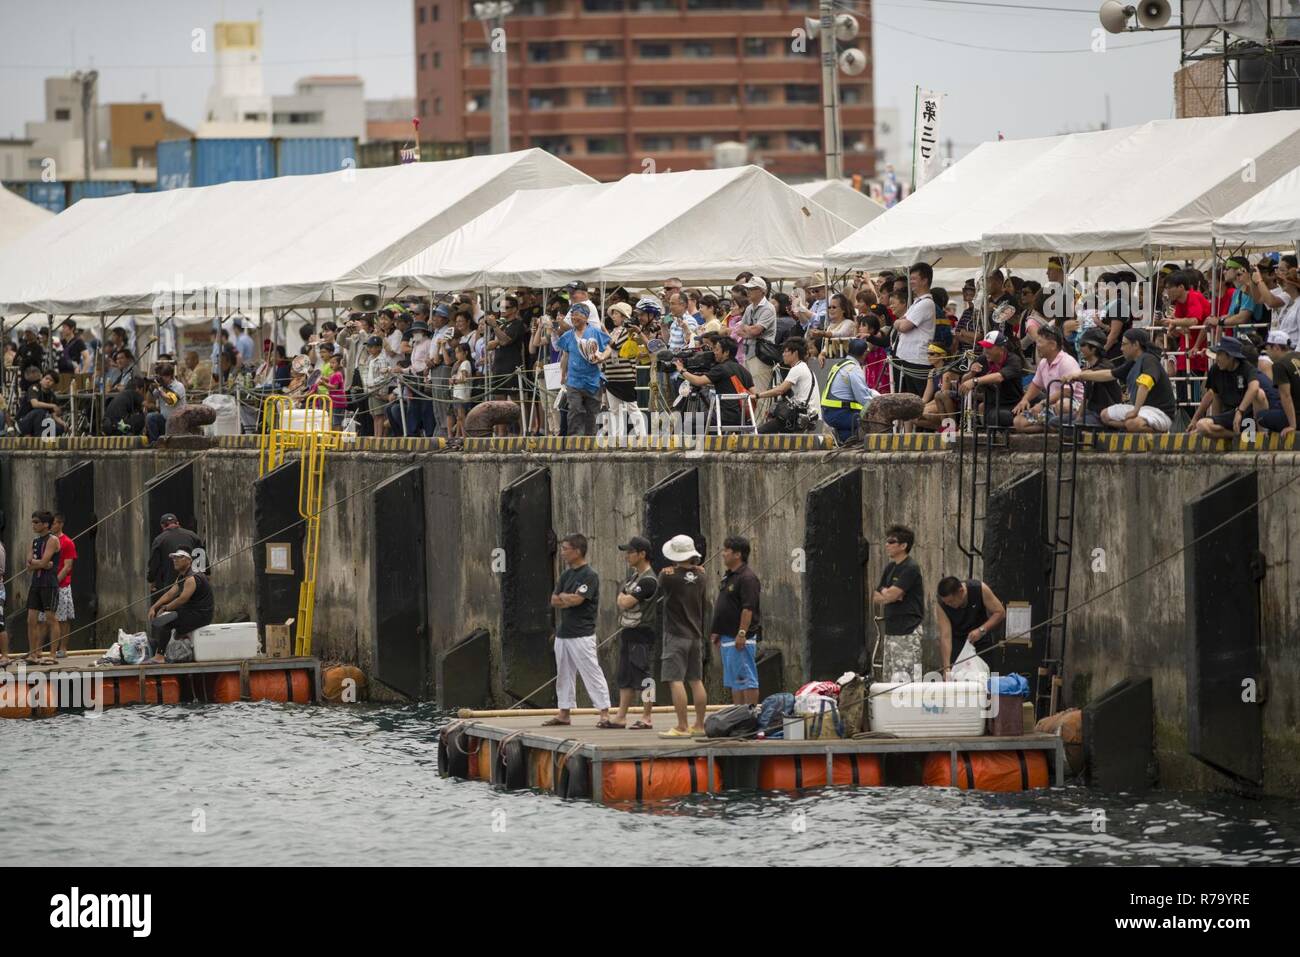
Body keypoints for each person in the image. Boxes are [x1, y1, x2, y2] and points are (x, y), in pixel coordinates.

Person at [544, 533, 613, 727]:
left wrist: (566, 598)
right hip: (563, 633)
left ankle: (604, 712)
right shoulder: (566, 575)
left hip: (582, 633)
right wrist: (568, 598)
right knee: (563, 674)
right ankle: (564, 712)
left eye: (566, 549)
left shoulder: (589, 575)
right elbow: (554, 600)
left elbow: (578, 599)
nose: (563, 553)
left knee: (591, 671)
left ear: (577, 551)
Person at [656, 533, 709, 738]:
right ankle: (700, 725)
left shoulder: (667, 576)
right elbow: (694, 575)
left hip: (675, 635)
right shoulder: (702, 575)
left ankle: (681, 726)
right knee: (696, 679)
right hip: (695, 635)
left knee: (675, 679)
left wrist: (670, 570)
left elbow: (661, 586)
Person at [611, 536, 658, 730]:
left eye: (630, 552)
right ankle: (621, 716)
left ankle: (647, 716)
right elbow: (620, 598)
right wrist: (623, 598)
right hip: (628, 631)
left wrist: (624, 598)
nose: (627, 556)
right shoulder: (633, 577)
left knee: (644, 676)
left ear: (642, 554)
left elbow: (626, 601)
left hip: (642, 633)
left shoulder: (648, 580)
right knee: (625, 676)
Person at [710, 535, 761, 705]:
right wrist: (718, 630)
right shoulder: (729, 577)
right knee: (735, 681)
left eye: (726, 551)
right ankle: (738, 716)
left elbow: (748, 608)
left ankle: (750, 715)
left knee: (747, 678)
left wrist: (742, 633)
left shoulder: (747, 578)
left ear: (737, 554)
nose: (723, 554)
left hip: (739, 637)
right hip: (727, 637)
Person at [1187, 335, 1271, 438]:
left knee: (1259, 393)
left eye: (1219, 355)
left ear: (1230, 356)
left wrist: (1240, 411)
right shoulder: (1215, 369)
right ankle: (1240, 436)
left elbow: (1254, 387)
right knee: (1202, 426)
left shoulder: (1246, 368)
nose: (1216, 359)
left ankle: (1261, 435)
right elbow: (1212, 394)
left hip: (1248, 414)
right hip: (1229, 415)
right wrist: (1195, 418)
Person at [871, 524, 923, 683]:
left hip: (907, 632)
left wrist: (890, 594)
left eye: (891, 541)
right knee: (889, 681)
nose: (887, 545)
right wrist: (890, 594)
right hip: (891, 632)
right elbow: (876, 596)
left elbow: (892, 595)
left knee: (906, 681)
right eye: (887, 541)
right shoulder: (890, 568)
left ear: (903, 546)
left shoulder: (911, 567)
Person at [1012, 324, 1084, 433]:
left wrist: (1042, 404)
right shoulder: (1043, 363)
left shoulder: (1067, 361)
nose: (1037, 345)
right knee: (1019, 421)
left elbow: (1067, 391)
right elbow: (1036, 384)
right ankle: (1052, 427)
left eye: (1040, 342)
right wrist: (1025, 399)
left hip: (1074, 405)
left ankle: (1066, 430)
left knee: (1063, 405)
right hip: (1050, 406)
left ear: (1053, 345)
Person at [147, 549, 214, 663]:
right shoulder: (182, 576)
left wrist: (165, 608)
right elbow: (170, 594)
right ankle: (170, 646)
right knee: (169, 618)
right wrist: (154, 607)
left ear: (189, 560)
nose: (175, 560)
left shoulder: (192, 577)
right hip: (191, 611)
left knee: (167, 621)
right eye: (174, 558)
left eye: (179, 557)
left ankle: (160, 657)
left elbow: (182, 599)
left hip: (201, 615)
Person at [675, 335, 754, 430]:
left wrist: (681, 370)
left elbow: (698, 381)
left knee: (689, 422)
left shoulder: (721, 369)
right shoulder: (743, 370)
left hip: (724, 416)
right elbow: (753, 393)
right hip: (743, 418)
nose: (714, 353)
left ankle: (703, 444)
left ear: (726, 353)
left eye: (717, 350)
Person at [557, 302, 611, 437]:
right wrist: (563, 374)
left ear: (586, 317)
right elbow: (565, 355)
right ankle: (575, 438)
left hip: (592, 379)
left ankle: (590, 439)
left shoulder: (595, 332)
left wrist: (602, 357)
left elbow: (610, 346)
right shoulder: (567, 336)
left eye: (577, 315)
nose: (574, 318)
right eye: (572, 315)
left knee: (592, 412)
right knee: (574, 409)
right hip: (574, 380)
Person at [936, 576, 1006, 677]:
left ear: (961, 591)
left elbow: (1000, 612)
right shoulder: (942, 604)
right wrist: (946, 668)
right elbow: (945, 636)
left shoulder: (979, 589)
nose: (948, 605)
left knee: (988, 679)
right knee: (957, 679)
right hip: (958, 643)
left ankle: (991, 692)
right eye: (946, 602)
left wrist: (982, 630)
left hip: (981, 639)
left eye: (951, 602)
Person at [755, 336, 821, 434]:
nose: (783, 354)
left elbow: (780, 390)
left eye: (786, 351)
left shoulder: (797, 369)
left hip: (801, 415)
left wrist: (757, 395)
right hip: (808, 414)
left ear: (795, 353)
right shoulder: (804, 367)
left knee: (760, 432)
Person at [959, 330, 1025, 428]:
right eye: (984, 346)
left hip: (1013, 404)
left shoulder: (1013, 360)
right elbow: (964, 382)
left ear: (1001, 348)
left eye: (989, 347)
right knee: (994, 416)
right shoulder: (982, 359)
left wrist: (975, 381)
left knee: (998, 416)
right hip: (992, 406)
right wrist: (972, 374)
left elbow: (999, 377)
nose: (985, 350)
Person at [892, 262, 937, 396]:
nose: (910, 282)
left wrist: (899, 323)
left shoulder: (926, 303)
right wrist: (900, 322)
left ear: (924, 280)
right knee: (908, 401)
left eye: (913, 279)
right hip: (908, 360)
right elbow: (901, 321)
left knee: (917, 401)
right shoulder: (917, 303)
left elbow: (904, 326)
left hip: (918, 362)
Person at [821, 339, 877, 442]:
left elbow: (861, 389)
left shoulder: (840, 365)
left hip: (829, 412)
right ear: (864, 353)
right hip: (840, 413)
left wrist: (875, 394)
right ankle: (848, 441)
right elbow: (863, 398)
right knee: (872, 420)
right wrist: (879, 406)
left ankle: (841, 439)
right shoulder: (854, 368)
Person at [25, 510, 61, 665]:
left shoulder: (52, 540)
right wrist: (40, 564)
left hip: (49, 583)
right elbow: (29, 565)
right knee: (31, 619)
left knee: (50, 618)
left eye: (36, 522)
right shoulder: (34, 541)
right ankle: (33, 654)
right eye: (32, 522)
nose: (33, 525)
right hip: (36, 583)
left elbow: (45, 561)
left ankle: (52, 655)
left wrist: (40, 563)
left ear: (45, 524)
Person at [40, 512, 77, 660]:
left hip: (61, 585)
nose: (51, 525)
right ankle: (43, 649)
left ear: (60, 524)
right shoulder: (46, 541)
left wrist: (55, 582)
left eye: (54, 523)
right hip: (47, 584)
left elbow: (67, 566)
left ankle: (63, 648)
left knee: (63, 618)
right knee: (45, 618)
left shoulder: (67, 542)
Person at [737, 276, 778, 407]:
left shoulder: (768, 308)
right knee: (749, 391)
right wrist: (750, 330)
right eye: (748, 289)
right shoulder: (750, 308)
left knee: (761, 393)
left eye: (752, 289)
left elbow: (755, 331)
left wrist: (748, 330)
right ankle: (755, 424)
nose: (748, 292)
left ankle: (761, 426)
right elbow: (741, 329)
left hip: (761, 354)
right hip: (750, 353)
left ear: (762, 291)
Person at [147, 513, 205, 603]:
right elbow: (201, 556)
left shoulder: (159, 539)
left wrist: (151, 580)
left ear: (162, 526)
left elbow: (154, 563)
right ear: (177, 523)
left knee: (174, 607)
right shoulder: (193, 535)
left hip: (170, 579)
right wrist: (206, 575)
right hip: (194, 578)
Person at [1264, 330, 1298, 435]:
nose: (1266, 352)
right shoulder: (1298, 355)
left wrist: (1292, 426)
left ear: (1276, 347)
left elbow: (1286, 396)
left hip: (1297, 416)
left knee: (1262, 416)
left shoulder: (1279, 365)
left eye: (1267, 348)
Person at [17, 370, 66, 436]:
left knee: (59, 428)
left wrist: (63, 423)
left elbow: (54, 415)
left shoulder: (51, 396)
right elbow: (35, 404)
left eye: (51, 380)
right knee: (40, 411)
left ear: (54, 385)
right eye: (46, 378)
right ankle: (38, 440)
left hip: (39, 423)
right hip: (24, 422)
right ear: (41, 378)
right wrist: (52, 405)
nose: (48, 381)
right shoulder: (34, 388)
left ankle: (49, 444)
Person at [145, 363, 186, 442]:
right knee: (151, 417)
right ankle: (155, 442)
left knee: (152, 417)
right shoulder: (161, 387)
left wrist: (160, 390)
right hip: (164, 420)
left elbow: (171, 401)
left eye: (162, 376)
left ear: (169, 376)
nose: (160, 379)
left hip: (177, 421)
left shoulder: (178, 386)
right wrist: (150, 388)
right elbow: (149, 401)